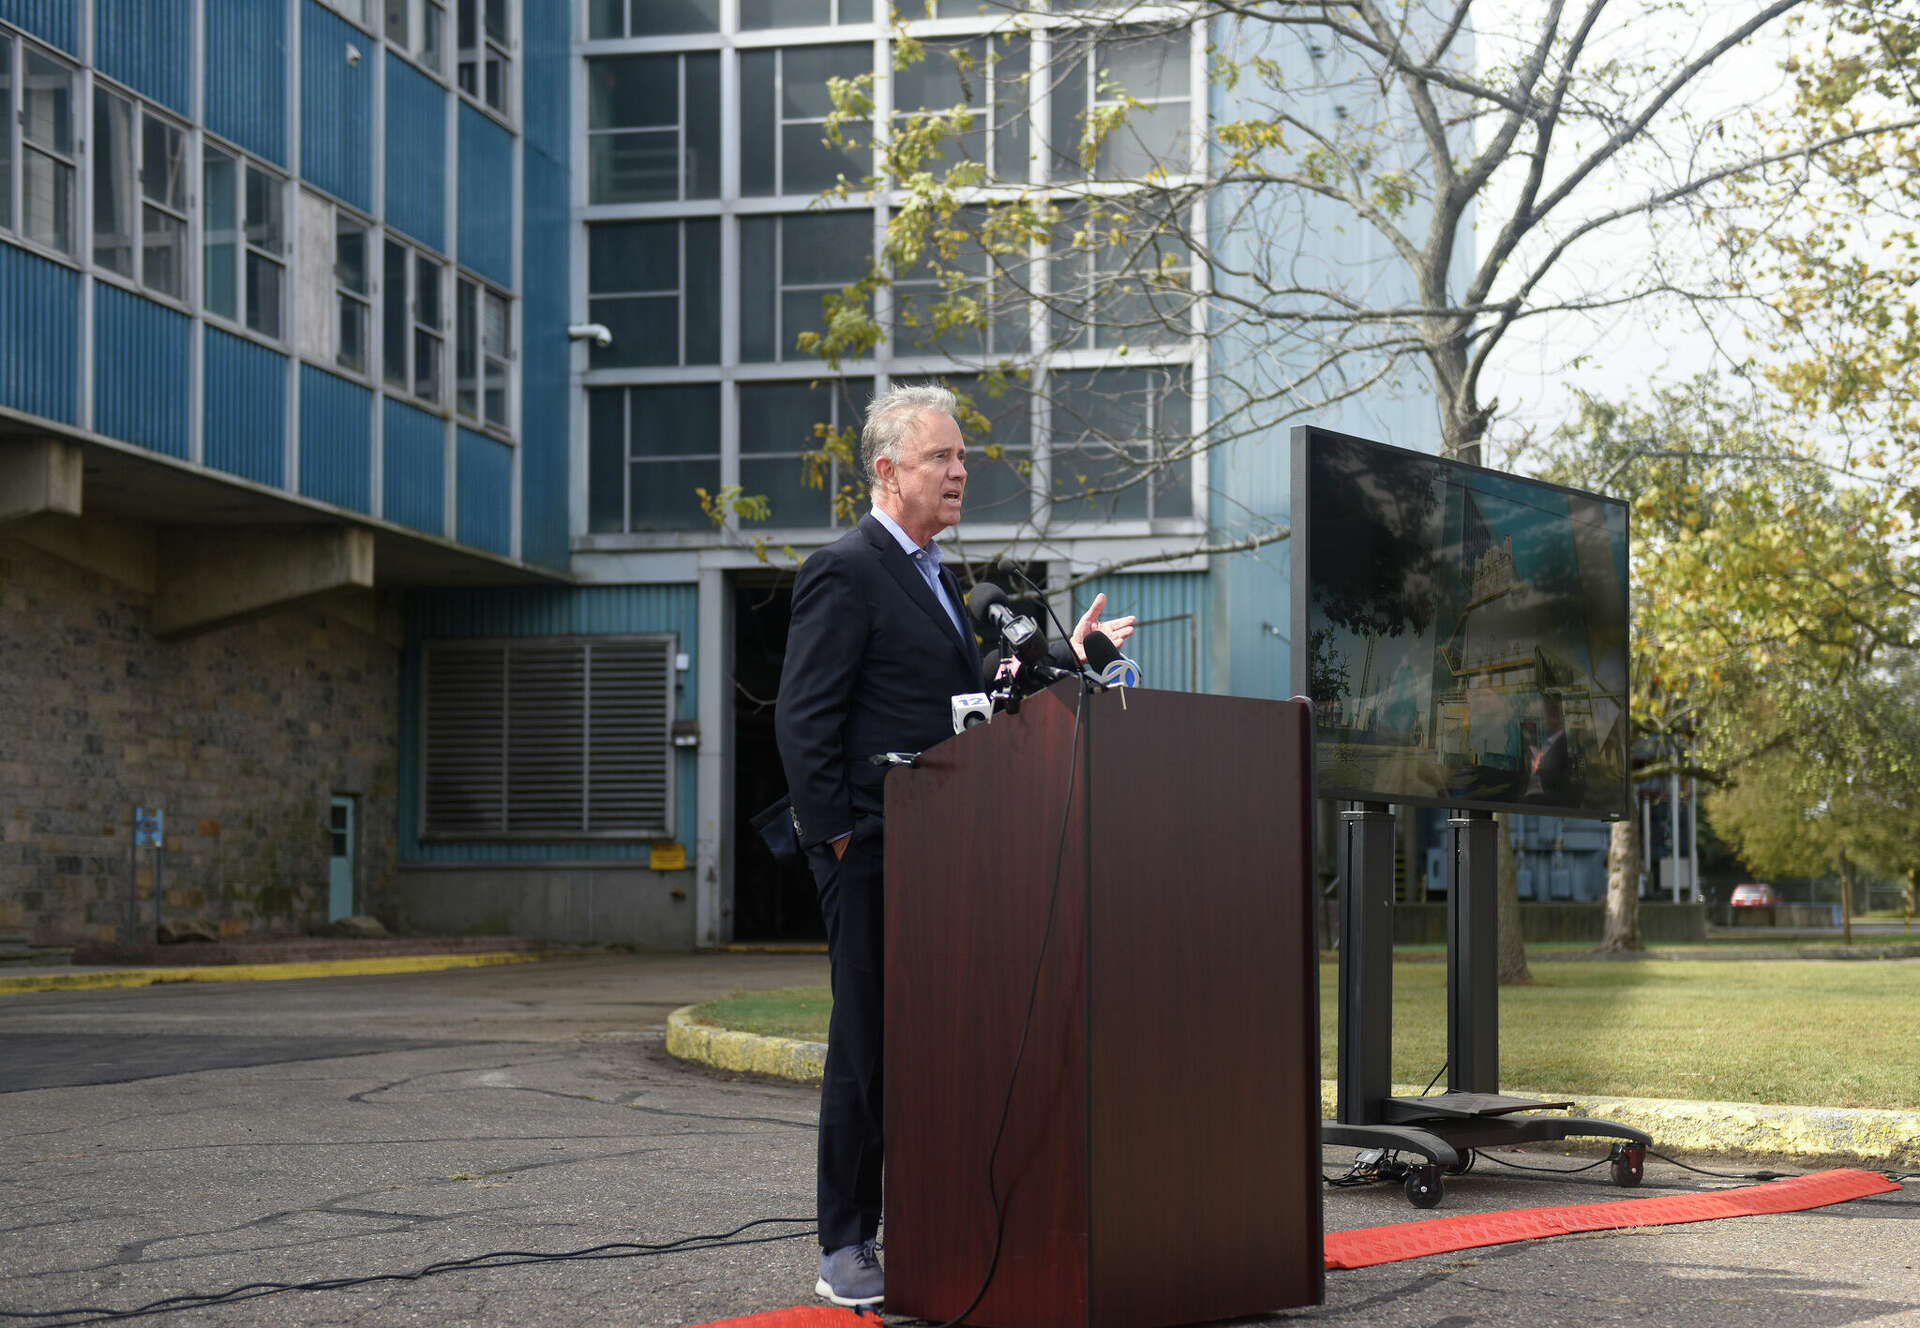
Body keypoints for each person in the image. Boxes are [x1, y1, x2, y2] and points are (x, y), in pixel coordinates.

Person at [774, 383, 1133, 1307]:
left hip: (949, 852)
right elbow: (803, 720)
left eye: (963, 457)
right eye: (941, 457)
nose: (961, 471)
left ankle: (941, 1224)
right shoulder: (845, 568)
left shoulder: (943, 579)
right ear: (887, 470)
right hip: (873, 849)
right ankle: (845, 1244)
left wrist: (1069, 661)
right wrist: (839, 841)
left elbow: (973, 694)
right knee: (868, 1045)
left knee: (943, 1045)